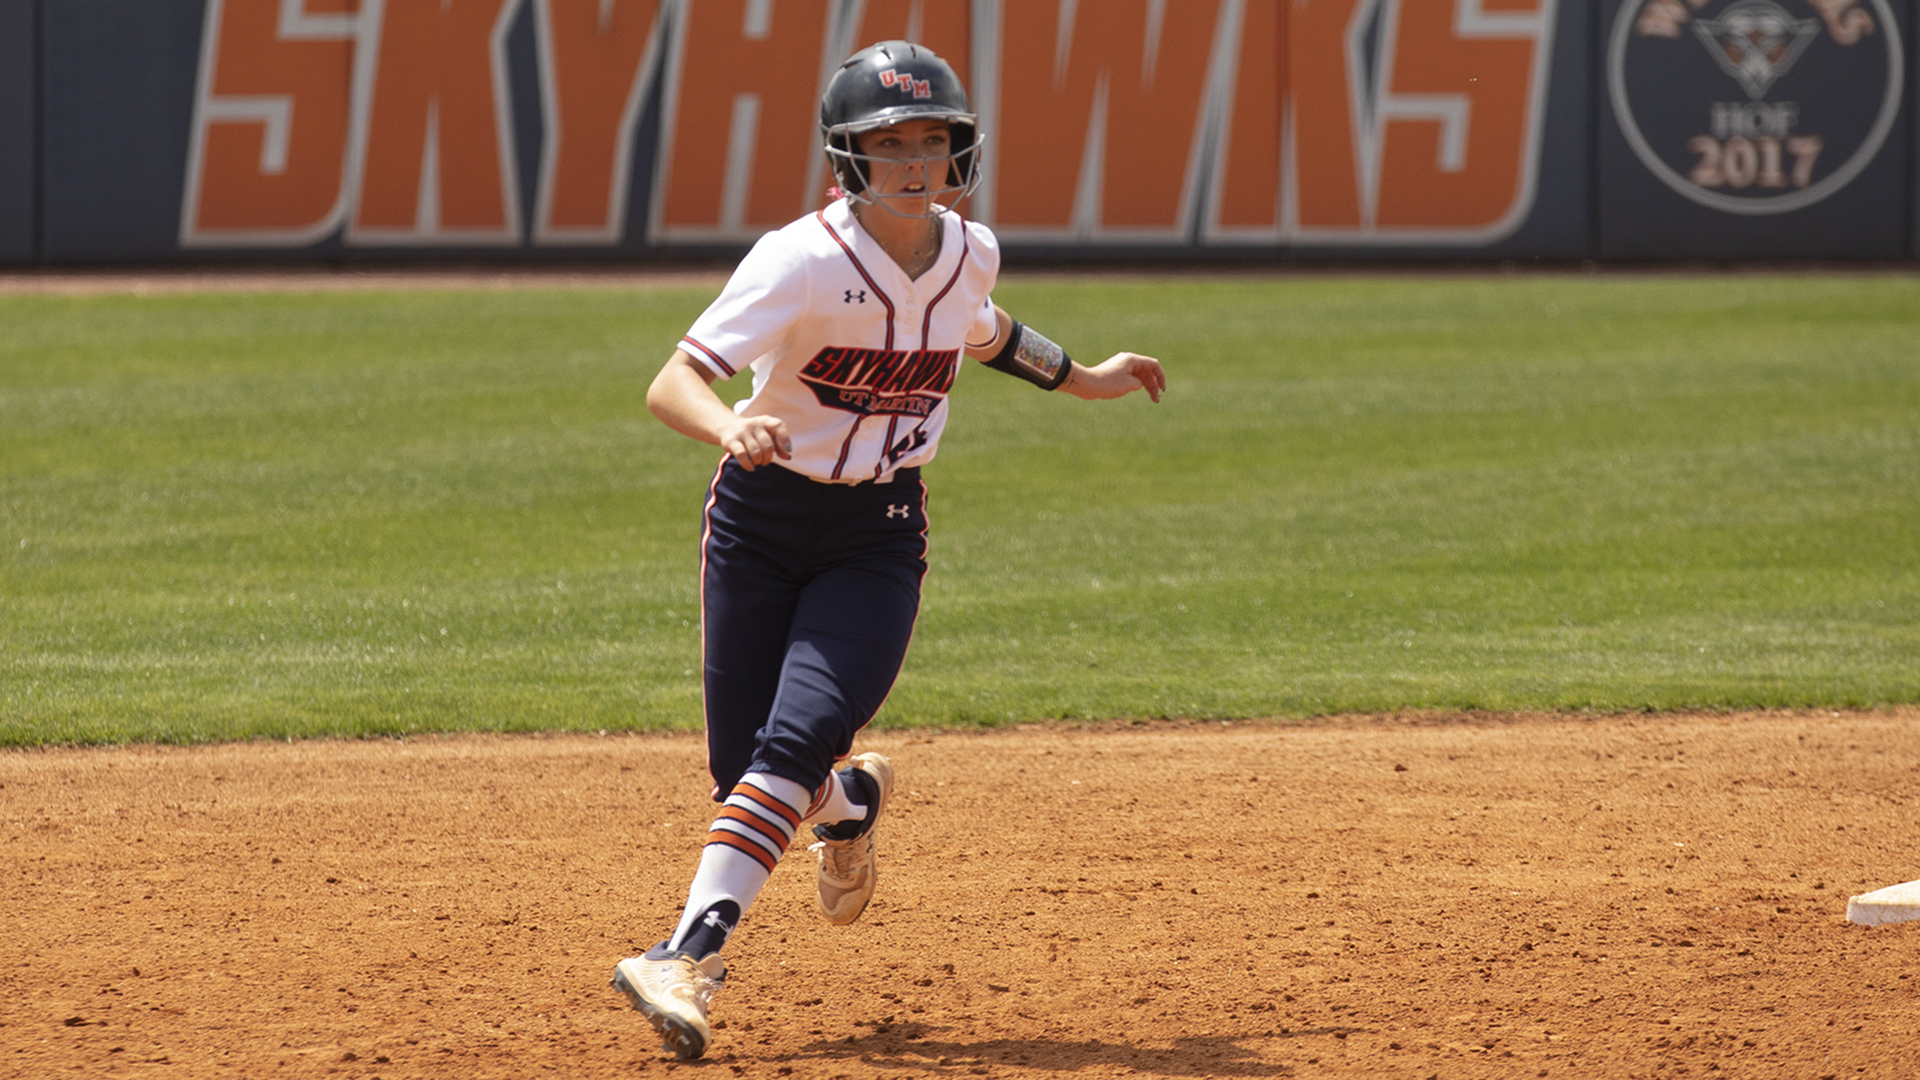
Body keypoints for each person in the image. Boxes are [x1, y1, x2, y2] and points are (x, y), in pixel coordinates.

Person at [610, 40, 1167, 1061]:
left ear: (961, 152)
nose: (915, 161)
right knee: (747, 773)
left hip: (877, 535)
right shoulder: (801, 259)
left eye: (932, 141)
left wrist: (1084, 376)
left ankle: (686, 953)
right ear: (849, 158)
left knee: (784, 752)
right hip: (760, 521)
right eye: (890, 143)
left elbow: (982, 329)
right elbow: (674, 381)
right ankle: (853, 799)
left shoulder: (970, 250)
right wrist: (726, 426)